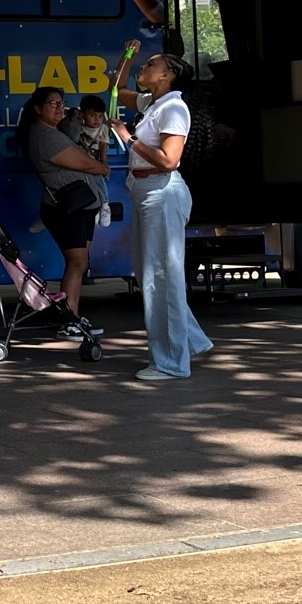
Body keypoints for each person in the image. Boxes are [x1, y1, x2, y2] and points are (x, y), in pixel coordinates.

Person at [112, 51, 213, 381]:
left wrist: (130, 139)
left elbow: (169, 160)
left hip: (162, 192)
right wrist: (128, 57)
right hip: (147, 192)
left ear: (166, 75)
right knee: (149, 274)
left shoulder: (173, 108)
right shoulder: (151, 103)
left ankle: (171, 363)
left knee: (161, 278)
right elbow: (117, 90)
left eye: (150, 65)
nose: (144, 67)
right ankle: (190, 341)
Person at [15, 87, 111, 340]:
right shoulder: (44, 136)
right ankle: (68, 321)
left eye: (61, 103)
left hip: (81, 208)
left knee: (80, 264)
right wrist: (101, 167)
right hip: (67, 210)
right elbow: (85, 163)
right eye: (53, 104)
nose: (60, 108)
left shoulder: (55, 131)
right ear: (38, 109)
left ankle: (74, 317)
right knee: (76, 263)